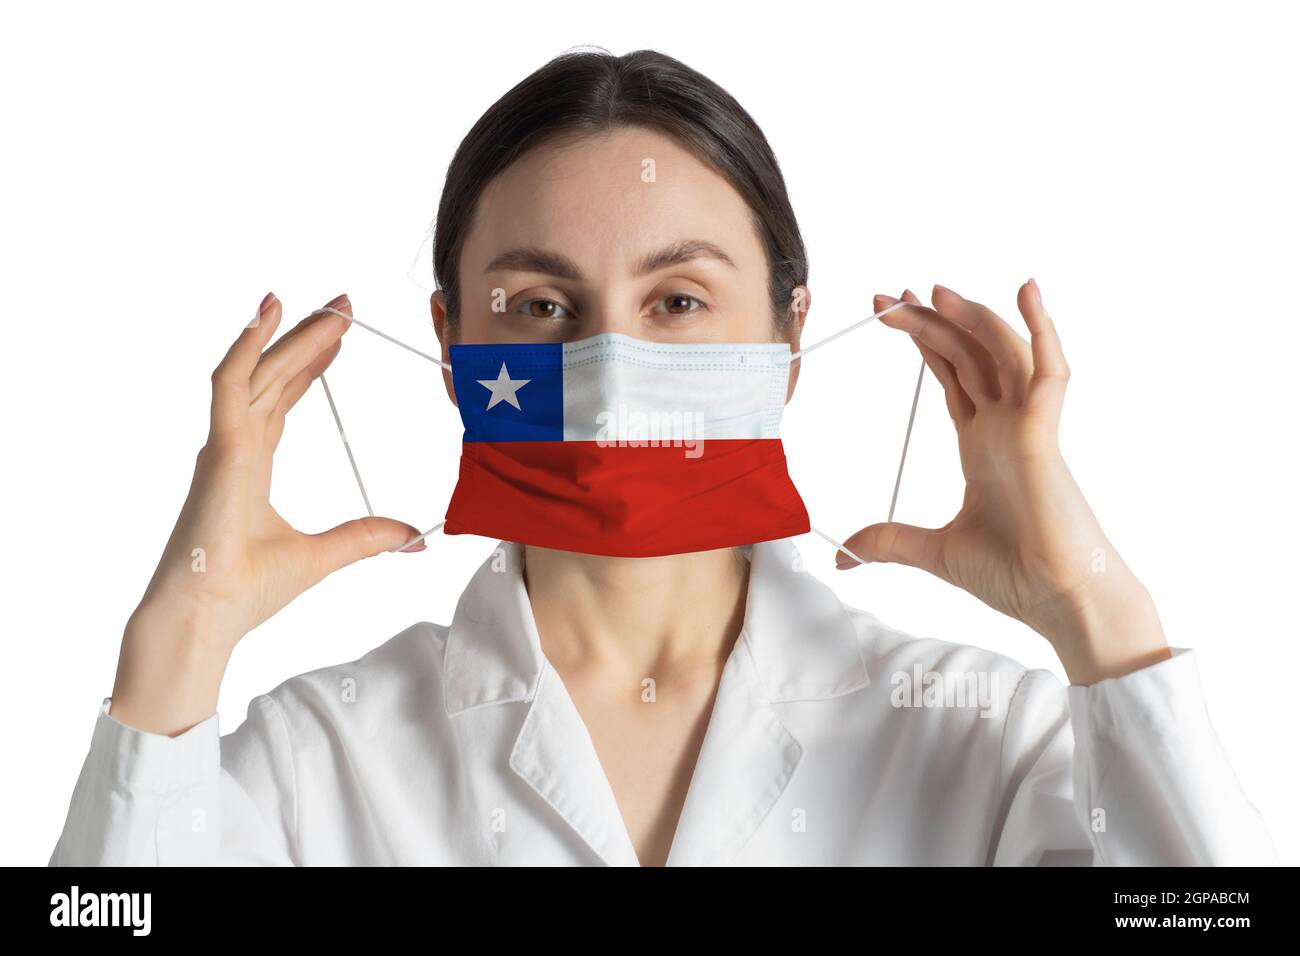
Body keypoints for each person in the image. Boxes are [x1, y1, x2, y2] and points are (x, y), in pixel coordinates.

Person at [49, 48, 1276, 866]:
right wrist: (181, 637)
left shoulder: (979, 738)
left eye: (679, 301)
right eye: (537, 305)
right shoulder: (318, 760)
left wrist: (1094, 611)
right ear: (450, 342)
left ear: (790, 334)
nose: (609, 370)